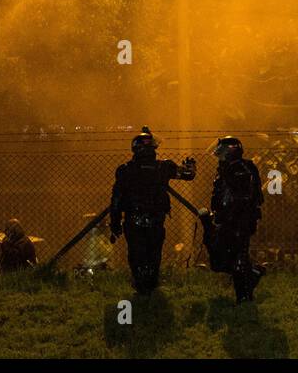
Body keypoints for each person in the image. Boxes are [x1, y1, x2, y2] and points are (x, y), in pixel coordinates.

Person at [109, 128, 196, 295]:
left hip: (133, 220)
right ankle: (151, 285)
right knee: (154, 253)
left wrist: (115, 222)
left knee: (136, 253)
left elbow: (116, 199)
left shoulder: (125, 169)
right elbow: (188, 175)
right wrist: (191, 166)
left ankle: (141, 284)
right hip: (156, 219)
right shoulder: (163, 167)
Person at [203, 136, 266, 303]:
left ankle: (244, 298)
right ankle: (253, 272)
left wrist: (234, 218)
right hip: (226, 220)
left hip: (239, 221)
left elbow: (244, 197)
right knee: (220, 259)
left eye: (222, 152)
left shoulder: (242, 169)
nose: (219, 156)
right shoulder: (226, 169)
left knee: (238, 259)